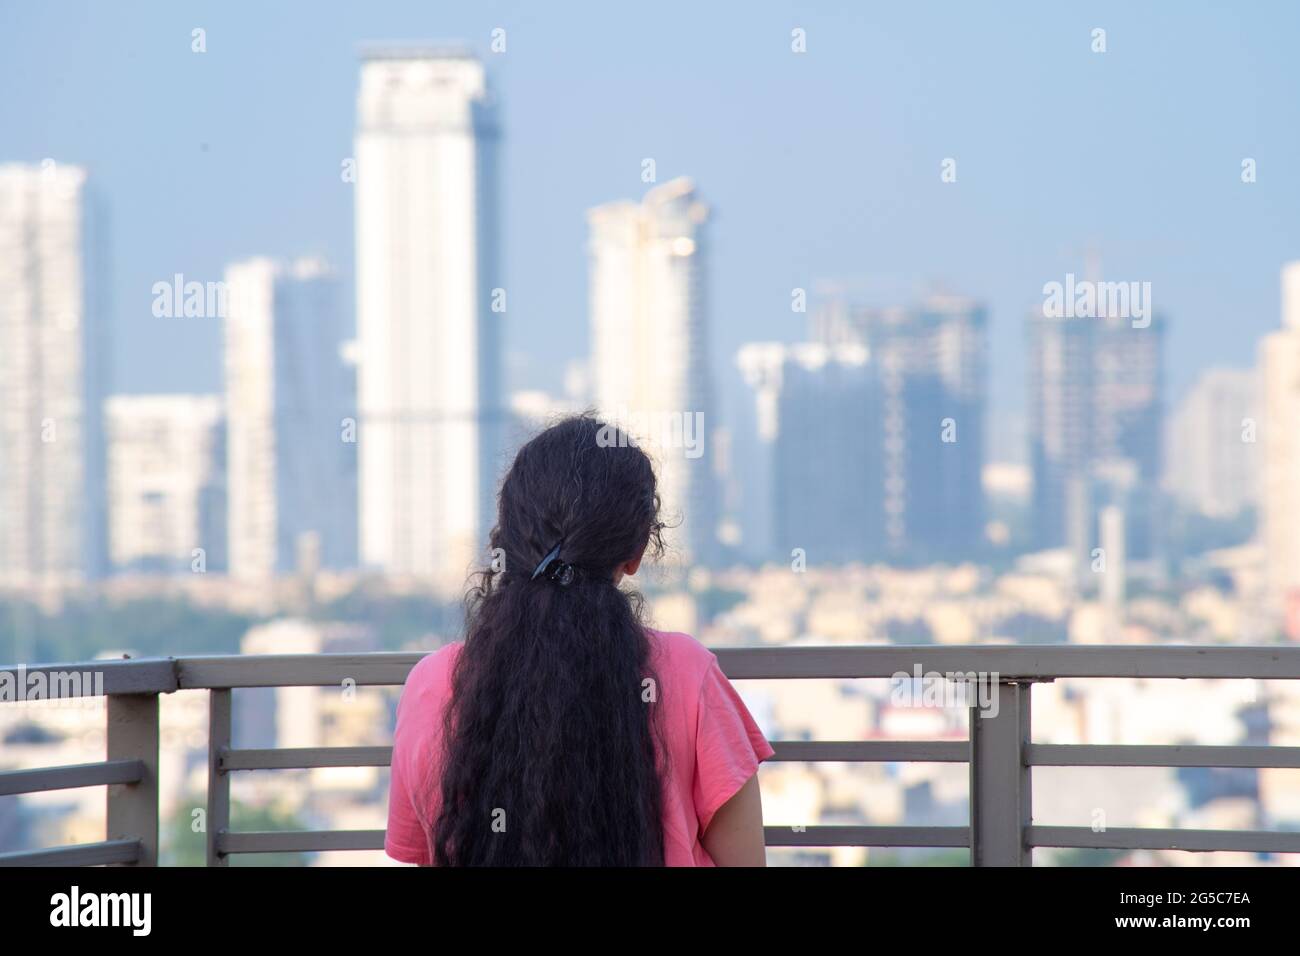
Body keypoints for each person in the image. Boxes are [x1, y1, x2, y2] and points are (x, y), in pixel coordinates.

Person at [385, 414, 773, 866]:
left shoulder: (431, 686)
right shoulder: (690, 675)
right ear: (636, 552)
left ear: (508, 537)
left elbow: (421, 854)